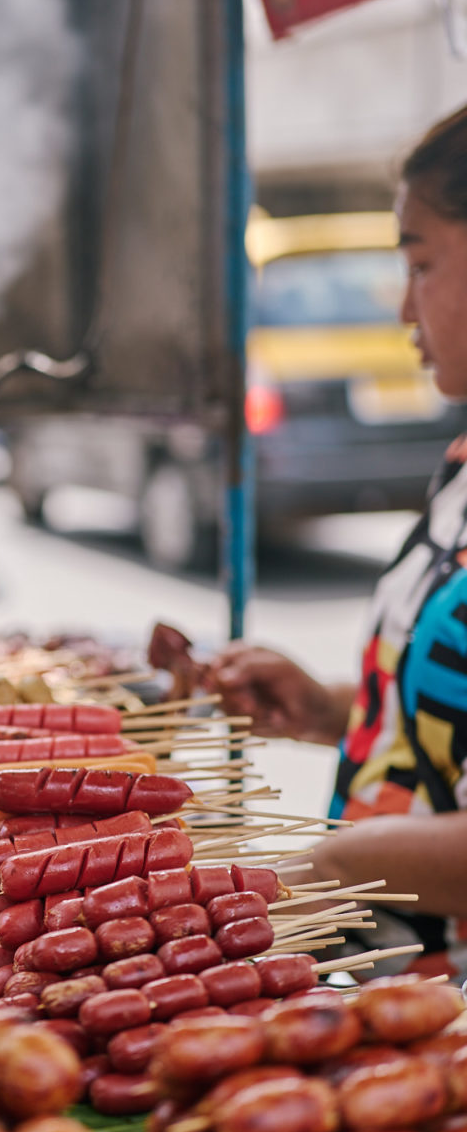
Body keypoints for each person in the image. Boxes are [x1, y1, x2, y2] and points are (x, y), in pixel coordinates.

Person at [209, 103, 467, 979]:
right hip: (389, 993)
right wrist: (332, 711)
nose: (402, 306)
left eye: (420, 262)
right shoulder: (460, 470)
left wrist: (336, 864)